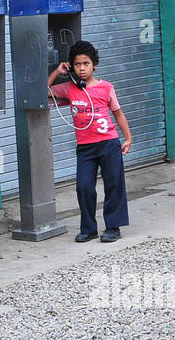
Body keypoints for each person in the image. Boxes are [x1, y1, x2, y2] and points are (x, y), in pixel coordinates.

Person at [48, 41, 132, 243]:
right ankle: (88, 228)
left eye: (86, 63)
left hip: (109, 143)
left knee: (114, 185)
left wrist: (128, 138)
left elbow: (118, 114)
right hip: (85, 147)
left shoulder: (106, 88)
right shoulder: (69, 88)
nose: (82, 68)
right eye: (77, 64)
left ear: (94, 65)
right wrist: (57, 72)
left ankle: (113, 227)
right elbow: (44, 90)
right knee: (84, 186)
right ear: (72, 67)